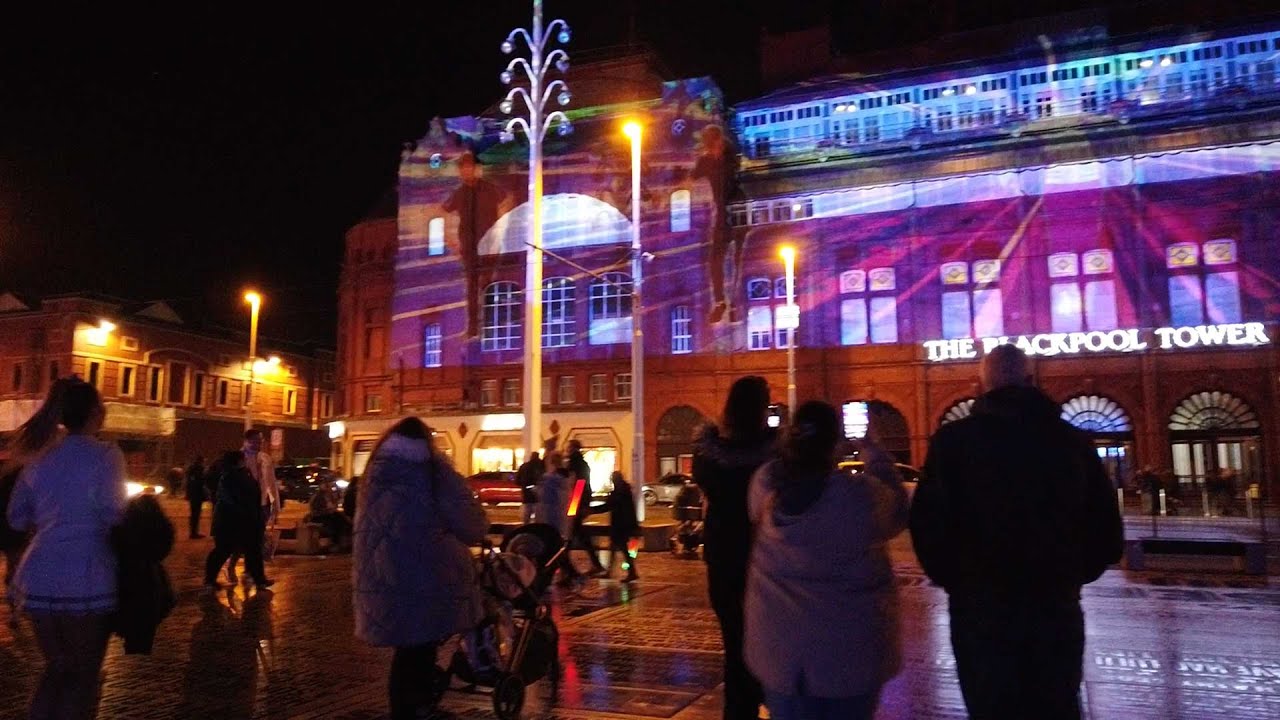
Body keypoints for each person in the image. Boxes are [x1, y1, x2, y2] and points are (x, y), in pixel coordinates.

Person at [910, 344, 1123, 720]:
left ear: (982, 385)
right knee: (1054, 705)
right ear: (1030, 380)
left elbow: (928, 525)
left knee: (990, 706)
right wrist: (1069, 574)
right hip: (1053, 606)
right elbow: (1106, 532)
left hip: (980, 611)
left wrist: (958, 580)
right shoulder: (1071, 442)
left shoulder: (953, 443)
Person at [745, 400, 908, 720]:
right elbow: (897, 508)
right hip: (848, 661)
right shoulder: (858, 497)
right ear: (835, 445)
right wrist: (872, 450)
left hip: (782, 660)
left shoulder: (764, 486)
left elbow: (779, 471)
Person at [5, 377, 127, 720]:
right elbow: (114, 511)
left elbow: (16, 517)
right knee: (83, 676)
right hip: (87, 572)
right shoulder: (106, 454)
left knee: (56, 669)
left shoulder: (38, 454)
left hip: (39, 575)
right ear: (92, 412)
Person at [353, 417, 488, 720]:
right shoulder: (434, 471)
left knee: (408, 649)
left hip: (381, 573)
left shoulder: (375, 471)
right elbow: (470, 524)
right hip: (427, 573)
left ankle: (405, 708)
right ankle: (417, 708)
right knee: (421, 646)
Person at [692, 375, 775, 720]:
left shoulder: (709, 457)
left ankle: (738, 709)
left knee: (734, 644)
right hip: (763, 558)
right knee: (764, 644)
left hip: (723, 557)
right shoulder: (772, 457)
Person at [442, 151, 505, 338]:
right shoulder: (459, 193)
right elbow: (444, 212)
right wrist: (449, 238)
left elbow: (505, 205)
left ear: (476, 169)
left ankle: (491, 326)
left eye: (469, 167)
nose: (466, 171)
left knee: (488, 284)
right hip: (469, 247)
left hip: (489, 245)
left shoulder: (490, 188)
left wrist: (501, 233)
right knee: (471, 287)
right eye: (463, 168)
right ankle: (473, 329)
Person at [690, 124, 744, 324]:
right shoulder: (705, 161)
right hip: (722, 214)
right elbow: (690, 178)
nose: (715, 150)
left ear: (721, 141)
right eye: (711, 147)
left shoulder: (732, 156)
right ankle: (720, 302)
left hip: (739, 210)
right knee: (716, 260)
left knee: (739, 257)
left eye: (717, 145)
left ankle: (735, 305)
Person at [204, 451, 273, 590]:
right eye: (244, 459)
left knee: (251, 549)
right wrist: (249, 514)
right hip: (234, 521)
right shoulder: (231, 476)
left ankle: (259, 579)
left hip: (237, 519)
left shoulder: (238, 474)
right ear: (239, 461)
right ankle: (210, 580)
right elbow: (237, 499)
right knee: (226, 550)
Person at [225, 429, 280, 584]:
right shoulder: (238, 458)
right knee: (241, 540)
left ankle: (255, 574)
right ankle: (231, 566)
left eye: (259, 441)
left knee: (256, 541)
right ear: (246, 441)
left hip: (261, 504)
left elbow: (272, 483)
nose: (258, 443)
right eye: (255, 440)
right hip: (243, 505)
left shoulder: (265, 458)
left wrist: (275, 504)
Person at [564, 439, 607, 575]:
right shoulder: (582, 463)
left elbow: (579, 484)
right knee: (577, 534)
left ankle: (567, 568)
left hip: (576, 502)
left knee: (573, 534)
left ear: (573, 449)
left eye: (569, 447)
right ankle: (569, 567)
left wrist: (574, 506)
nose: (567, 449)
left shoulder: (574, 463)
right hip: (579, 502)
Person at [1, 465, 31, 628]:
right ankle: (17, 609)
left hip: (10, 536)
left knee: (13, 570)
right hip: (17, 536)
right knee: (17, 570)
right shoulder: (21, 489)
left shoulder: (6, 489)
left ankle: (16, 609)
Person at [604, 471, 640, 583]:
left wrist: (592, 510)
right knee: (615, 547)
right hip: (624, 524)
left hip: (620, 525)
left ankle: (631, 572)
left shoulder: (619, 493)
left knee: (622, 548)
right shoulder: (625, 490)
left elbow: (610, 505)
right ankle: (611, 571)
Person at [307, 484, 351, 550]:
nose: (330, 489)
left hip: (325, 515)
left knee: (339, 518)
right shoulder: (319, 497)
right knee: (336, 521)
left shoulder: (327, 496)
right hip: (319, 517)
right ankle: (337, 542)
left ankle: (341, 541)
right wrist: (329, 511)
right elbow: (317, 510)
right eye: (329, 488)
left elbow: (332, 507)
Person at [516, 451, 544, 524]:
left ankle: (526, 527)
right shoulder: (541, 466)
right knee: (538, 516)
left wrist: (524, 486)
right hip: (538, 494)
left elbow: (517, 481)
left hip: (526, 494)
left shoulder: (524, 466)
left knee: (527, 514)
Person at [185, 455, 207, 539]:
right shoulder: (199, 469)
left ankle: (193, 532)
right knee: (196, 514)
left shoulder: (191, 468)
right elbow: (200, 481)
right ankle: (194, 533)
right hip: (197, 494)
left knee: (194, 513)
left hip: (192, 494)